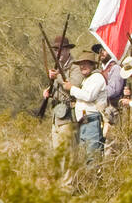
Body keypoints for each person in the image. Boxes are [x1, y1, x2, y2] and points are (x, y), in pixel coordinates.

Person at [44, 35, 81, 170]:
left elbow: (74, 86)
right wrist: (49, 91)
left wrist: (57, 77)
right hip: (57, 117)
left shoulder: (75, 67)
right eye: (55, 50)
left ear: (67, 50)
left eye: (60, 49)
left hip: (69, 117)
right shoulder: (58, 67)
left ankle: (68, 188)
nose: (57, 53)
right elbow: (58, 91)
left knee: (69, 155)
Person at [64, 53, 108, 162]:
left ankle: (94, 178)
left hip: (92, 121)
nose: (82, 67)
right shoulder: (87, 79)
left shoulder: (97, 77)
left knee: (92, 156)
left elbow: (89, 96)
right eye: (80, 64)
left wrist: (72, 89)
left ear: (92, 65)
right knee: (85, 156)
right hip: (84, 122)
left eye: (85, 64)